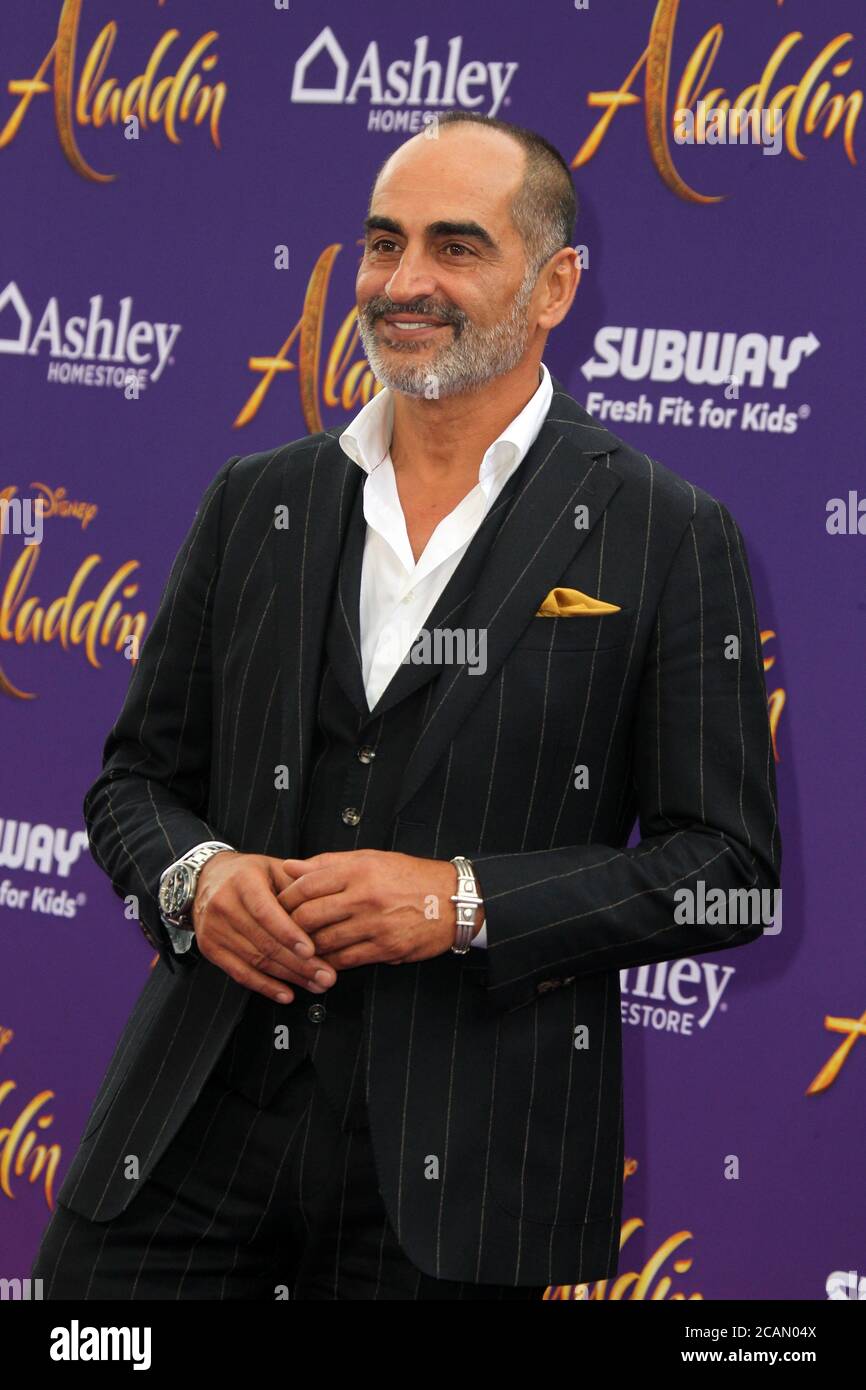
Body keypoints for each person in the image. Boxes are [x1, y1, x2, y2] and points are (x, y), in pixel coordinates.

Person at [32, 112, 780, 1299]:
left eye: (456, 246)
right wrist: (199, 878)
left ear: (554, 287)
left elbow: (728, 868)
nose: (404, 282)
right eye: (383, 244)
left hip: (461, 1179)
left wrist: (462, 900)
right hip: (183, 1136)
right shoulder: (256, 499)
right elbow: (133, 783)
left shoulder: (668, 534)